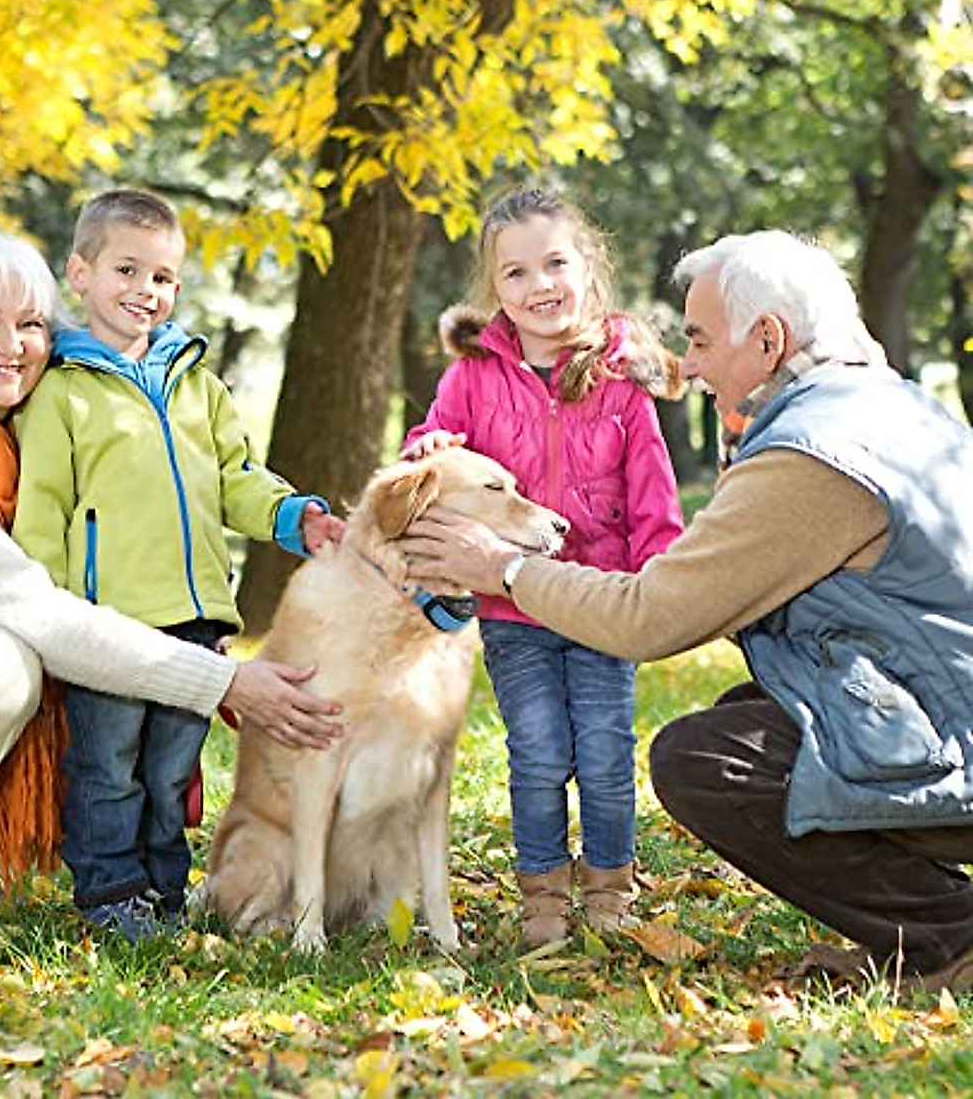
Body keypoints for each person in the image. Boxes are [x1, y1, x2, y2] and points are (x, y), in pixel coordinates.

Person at [399, 228, 973, 995]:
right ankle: (921, 931)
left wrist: (501, 567)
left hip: (958, 738)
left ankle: (951, 935)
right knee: (761, 719)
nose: (688, 363)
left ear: (767, 339)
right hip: (950, 709)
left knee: (710, 762)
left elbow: (651, 616)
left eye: (700, 340)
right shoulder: (889, 406)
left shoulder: (818, 454)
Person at [0, 223, 343, 944]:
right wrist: (223, 683)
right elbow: (33, 609)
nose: (10, 344)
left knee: (52, 677)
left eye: (30, 324)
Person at [12, 189, 345, 941]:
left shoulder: (198, 383)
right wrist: (51, 618)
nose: (145, 291)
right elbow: (43, 513)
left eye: (161, 278)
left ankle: (163, 892)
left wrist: (294, 516)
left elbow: (237, 478)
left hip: (196, 621)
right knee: (107, 767)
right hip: (109, 625)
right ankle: (109, 894)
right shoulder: (62, 393)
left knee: (170, 773)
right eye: (126, 270)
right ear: (81, 273)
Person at [401, 185, 683, 946]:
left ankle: (610, 889)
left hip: (600, 603)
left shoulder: (621, 387)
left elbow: (654, 498)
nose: (540, 287)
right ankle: (543, 896)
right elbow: (435, 447)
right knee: (535, 754)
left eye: (556, 263)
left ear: (588, 267)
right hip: (513, 611)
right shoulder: (472, 378)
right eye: (517, 273)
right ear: (495, 289)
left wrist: (656, 583)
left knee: (603, 753)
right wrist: (425, 446)